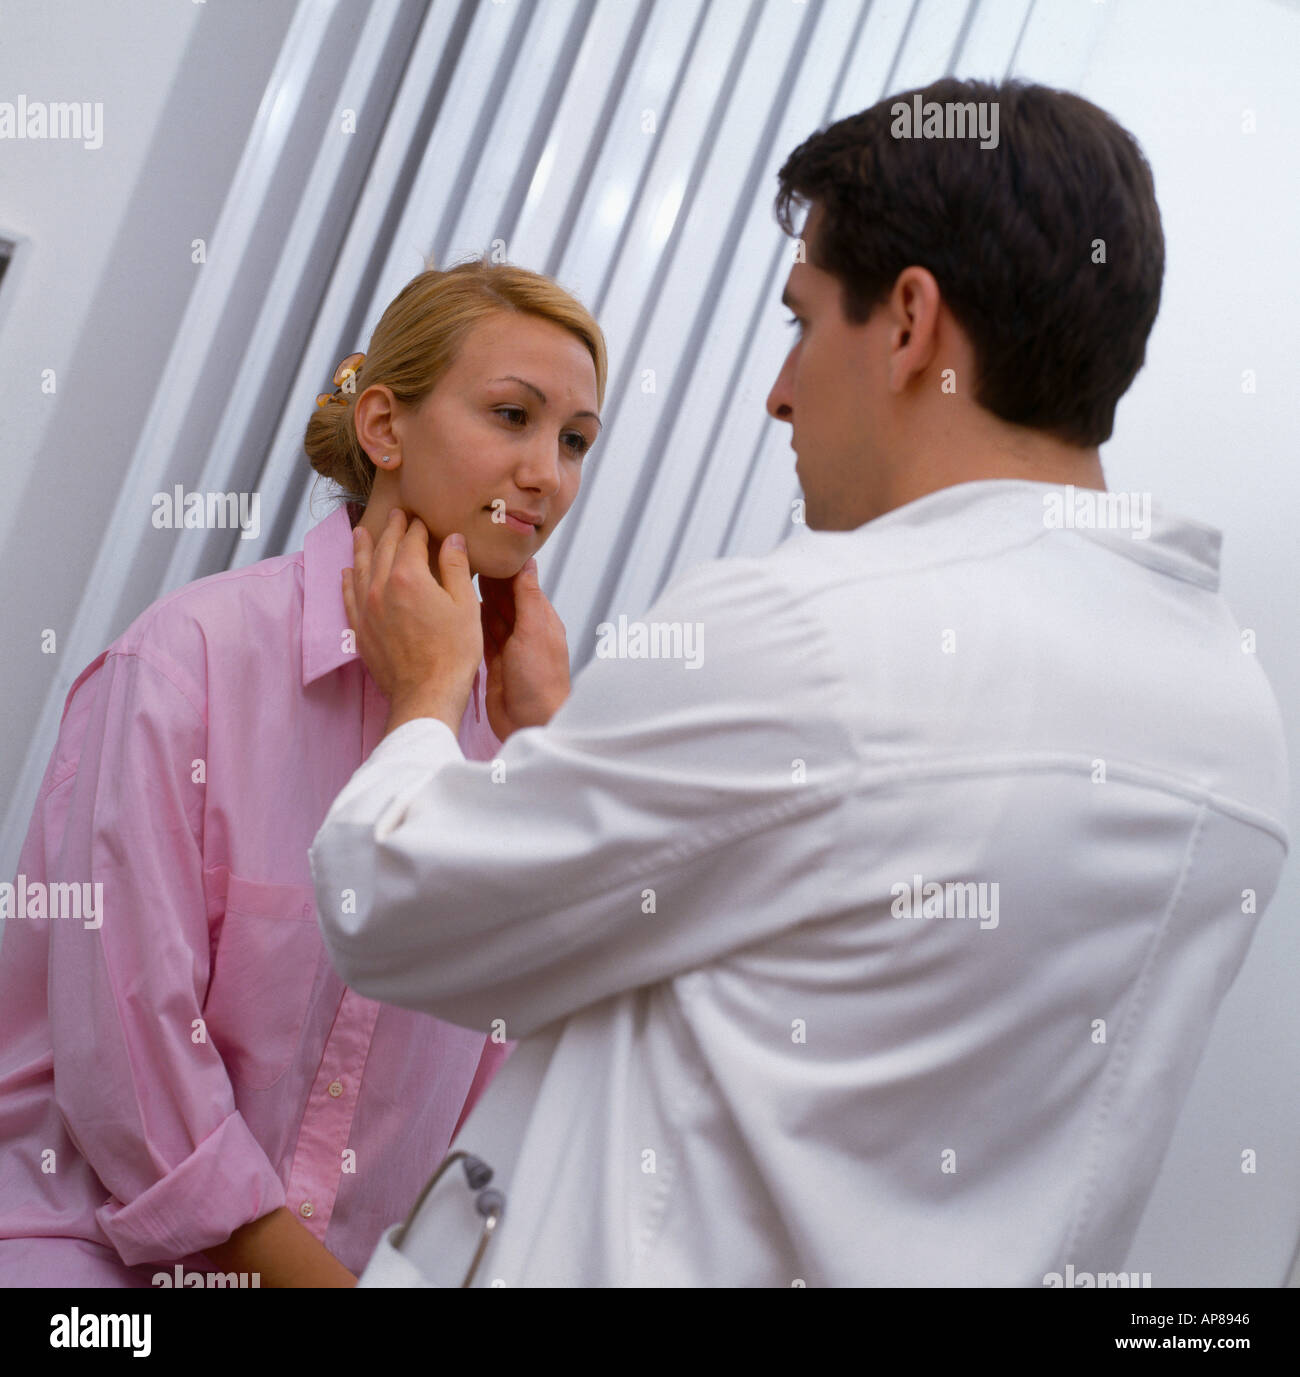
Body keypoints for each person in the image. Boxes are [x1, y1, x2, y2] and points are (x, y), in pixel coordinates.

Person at [309, 77, 1290, 1287]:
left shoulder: (815, 628)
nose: (779, 391)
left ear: (910, 323)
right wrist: (566, 743)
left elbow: (394, 909)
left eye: (802, 319)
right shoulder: (1229, 717)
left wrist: (422, 702)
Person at [0, 257, 605, 1286]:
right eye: (512, 416)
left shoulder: (525, 727)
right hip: (90, 1272)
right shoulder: (184, 662)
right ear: (383, 427)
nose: (547, 472)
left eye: (576, 439)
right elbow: (132, 1077)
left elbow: (545, 1076)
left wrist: (555, 747)